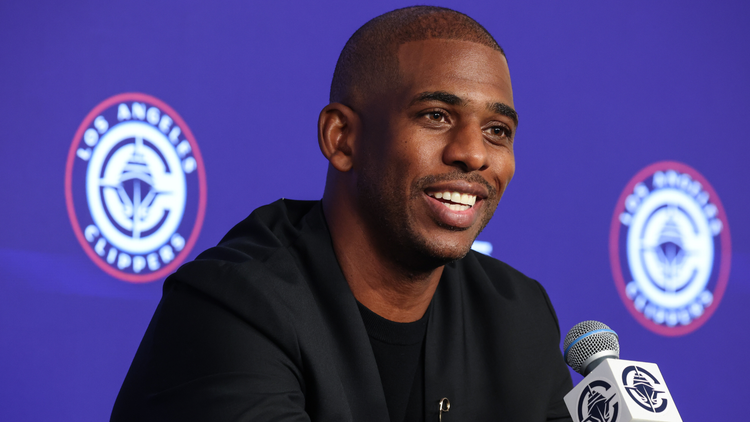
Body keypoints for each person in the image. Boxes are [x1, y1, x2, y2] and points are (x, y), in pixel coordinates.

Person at [112, 6, 573, 422]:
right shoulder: (229, 307)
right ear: (342, 138)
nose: (474, 154)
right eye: (436, 116)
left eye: (497, 130)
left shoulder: (519, 317)